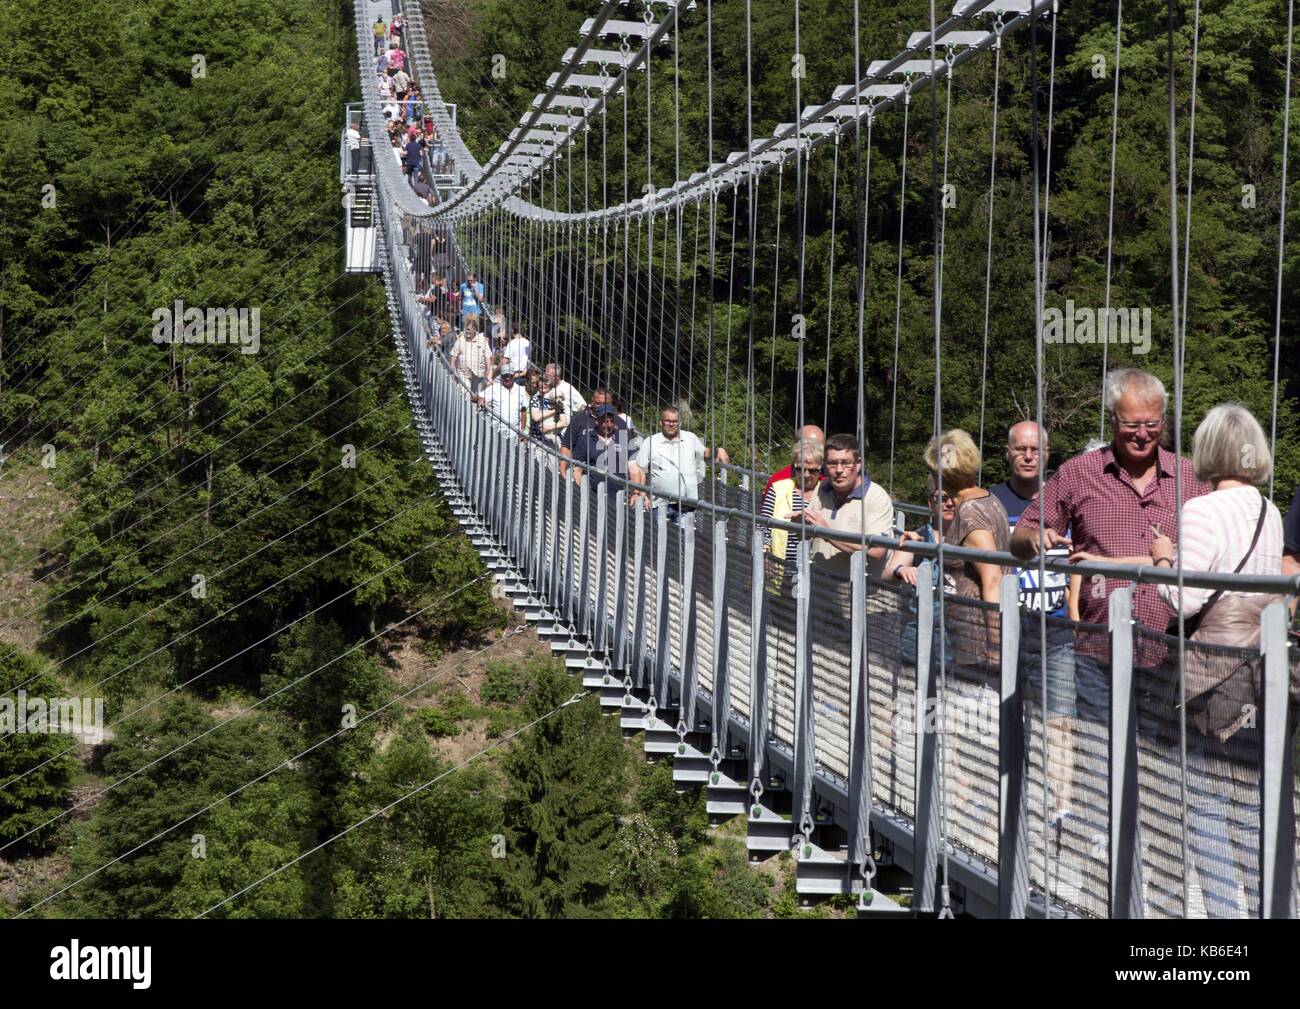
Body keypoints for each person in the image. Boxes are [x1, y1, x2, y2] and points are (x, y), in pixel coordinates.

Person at [1148, 403, 1285, 918]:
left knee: (1202, 804)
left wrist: (1163, 559)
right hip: (1259, 672)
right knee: (1250, 804)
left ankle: (1227, 918)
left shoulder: (1201, 510)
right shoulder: (1269, 511)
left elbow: (1184, 600)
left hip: (1212, 674)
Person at [1012, 367, 1211, 718]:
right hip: (1097, 648)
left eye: (1151, 424)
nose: (1142, 435)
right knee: (1099, 752)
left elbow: (1213, 551)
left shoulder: (1191, 478)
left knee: (1156, 762)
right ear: (1112, 420)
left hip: (1170, 650)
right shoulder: (1078, 473)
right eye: (1131, 425)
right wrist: (1035, 537)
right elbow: (1019, 539)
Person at [990, 420, 1077, 826]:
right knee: (1008, 718)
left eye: (1035, 450)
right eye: (1020, 449)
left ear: (1047, 455)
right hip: (1008, 628)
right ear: (1007, 453)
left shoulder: (1069, 501)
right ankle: (1010, 799)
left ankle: (1062, 806)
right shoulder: (991, 502)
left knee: (1060, 719)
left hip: (1057, 628)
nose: (1027, 456)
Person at [788, 433, 893, 576]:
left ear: (858, 464)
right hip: (821, 589)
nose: (838, 470)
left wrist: (826, 532)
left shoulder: (876, 497)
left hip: (862, 594)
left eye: (846, 463)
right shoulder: (822, 488)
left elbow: (876, 551)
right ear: (825, 464)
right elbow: (809, 535)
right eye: (832, 463)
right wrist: (799, 526)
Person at [629, 406, 728, 521]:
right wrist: (641, 494)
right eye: (668, 421)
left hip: (686, 503)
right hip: (659, 503)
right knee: (658, 538)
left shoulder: (690, 438)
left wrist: (718, 450)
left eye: (675, 421)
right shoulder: (650, 442)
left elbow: (705, 452)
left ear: (679, 423)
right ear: (660, 423)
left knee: (683, 537)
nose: (671, 424)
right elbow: (641, 468)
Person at [759, 437, 823, 565]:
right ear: (794, 466)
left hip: (815, 570)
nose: (806, 475)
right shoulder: (778, 488)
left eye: (812, 470)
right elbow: (763, 525)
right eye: (800, 469)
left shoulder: (826, 493)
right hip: (779, 565)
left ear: (820, 469)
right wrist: (765, 553)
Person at [569, 404, 631, 487]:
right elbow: (577, 468)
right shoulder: (586, 440)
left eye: (611, 421)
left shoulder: (623, 438)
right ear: (597, 421)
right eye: (605, 421)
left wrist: (637, 492)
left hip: (618, 494)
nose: (609, 425)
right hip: (592, 493)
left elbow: (633, 465)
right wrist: (581, 491)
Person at [762, 425, 825, 498]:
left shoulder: (832, 481)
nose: (811, 450)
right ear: (796, 447)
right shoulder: (777, 481)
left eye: (817, 446)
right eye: (805, 445)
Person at [481, 366, 529, 435]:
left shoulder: (521, 390)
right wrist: (481, 399)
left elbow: (523, 411)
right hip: (496, 431)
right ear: (501, 376)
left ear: (514, 376)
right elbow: (480, 397)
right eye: (505, 376)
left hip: (514, 432)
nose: (507, 378)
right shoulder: (494, 388)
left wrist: (523, 431)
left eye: (510, 376)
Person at [450, 319, 492, 396]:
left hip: (478, 374)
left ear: (475, 329)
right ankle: (464, 407)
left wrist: (488, 372)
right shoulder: (460, 340)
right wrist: (452, 370)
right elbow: (454, 355)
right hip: (463, 373)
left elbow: (488, 357)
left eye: (468, 329)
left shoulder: (482, 341)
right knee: (465, 392)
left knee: (477, 396)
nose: (466, 331)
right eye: (466, 329)